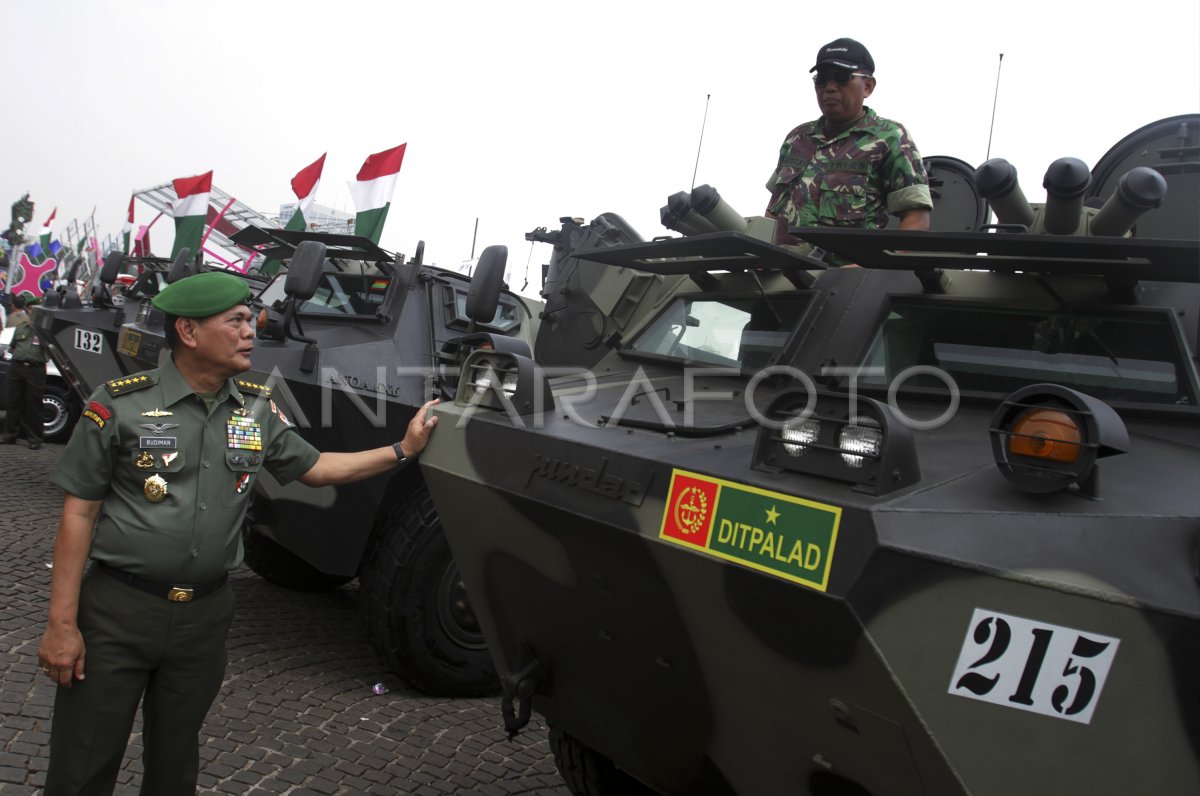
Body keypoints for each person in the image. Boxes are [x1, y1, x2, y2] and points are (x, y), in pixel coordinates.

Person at [35, 271, 440, 795]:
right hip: (117, 614)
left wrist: (402, 450)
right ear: (189, 331)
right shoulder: (118, 404)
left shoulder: (255, 407)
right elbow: (78, 515)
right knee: (82, 765)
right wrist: (61, 626)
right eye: (237, 321)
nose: (253, 329)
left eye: (251, 319)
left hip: (203, 621)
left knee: (175, 766)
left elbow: (316, 469)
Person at [765, 37, 933, 258]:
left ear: (868, 86)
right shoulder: (797, 138)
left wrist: (874, 267)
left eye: (843, 78)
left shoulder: (889, 138)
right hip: (781, 276)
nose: (830, 88)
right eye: (822, 80)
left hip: (845, 281)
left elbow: (916, 218)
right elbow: (772, 212)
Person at [1, 293, 48, 449]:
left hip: (35, 369)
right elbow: (13, 346)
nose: (34, 312)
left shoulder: (45, 331)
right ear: (28, 310)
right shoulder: (21, 328)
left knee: (34, 405)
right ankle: (9, 435)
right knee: (13, 402)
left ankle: (35, 439)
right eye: (32, 309)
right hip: (18, 366)